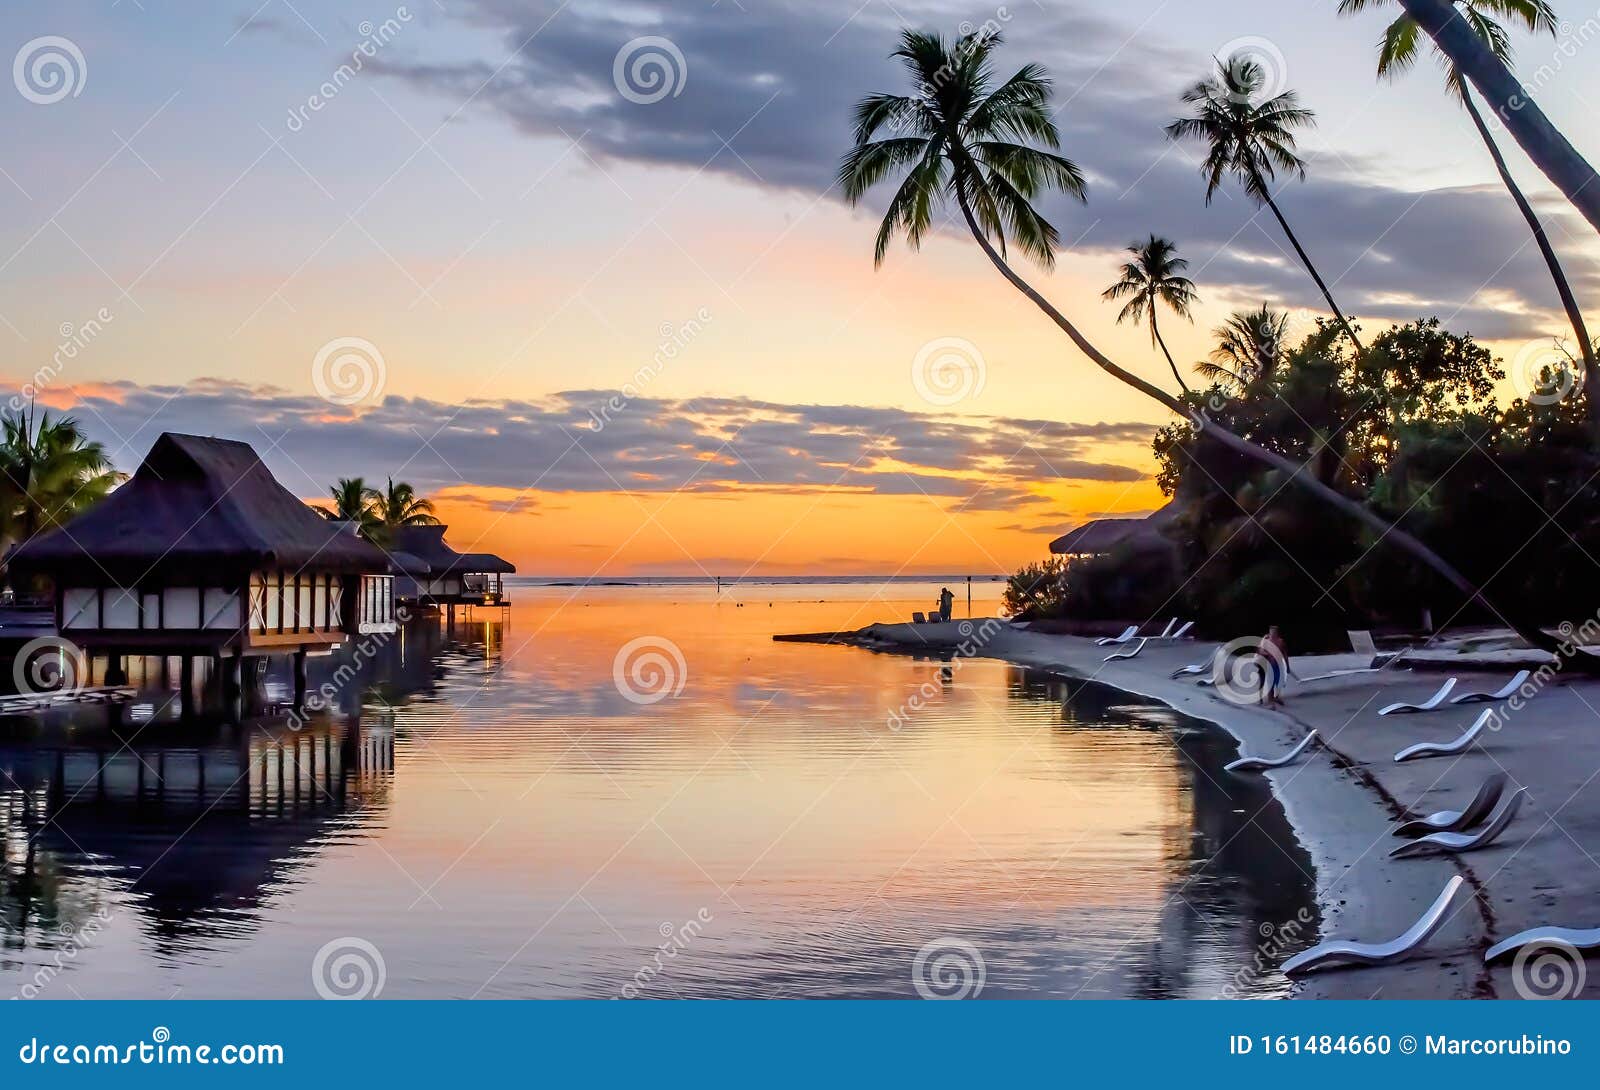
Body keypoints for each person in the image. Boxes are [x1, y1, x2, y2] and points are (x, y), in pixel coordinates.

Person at [1259, 625, 1292, 706]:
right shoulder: (1266, 641)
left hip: (1279, 665)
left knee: (1278, 682)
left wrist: (1287, 666)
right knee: (1270, 682)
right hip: (1270, 664)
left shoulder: (1281, 642)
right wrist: (1265, 653)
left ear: (1277, 632)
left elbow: (1285, 655)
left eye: (1274, 631)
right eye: (1271, 631)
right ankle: (1271, 700)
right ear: (1269, 632)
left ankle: (1275, 698)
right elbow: (1260, 651)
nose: (1273, 633)